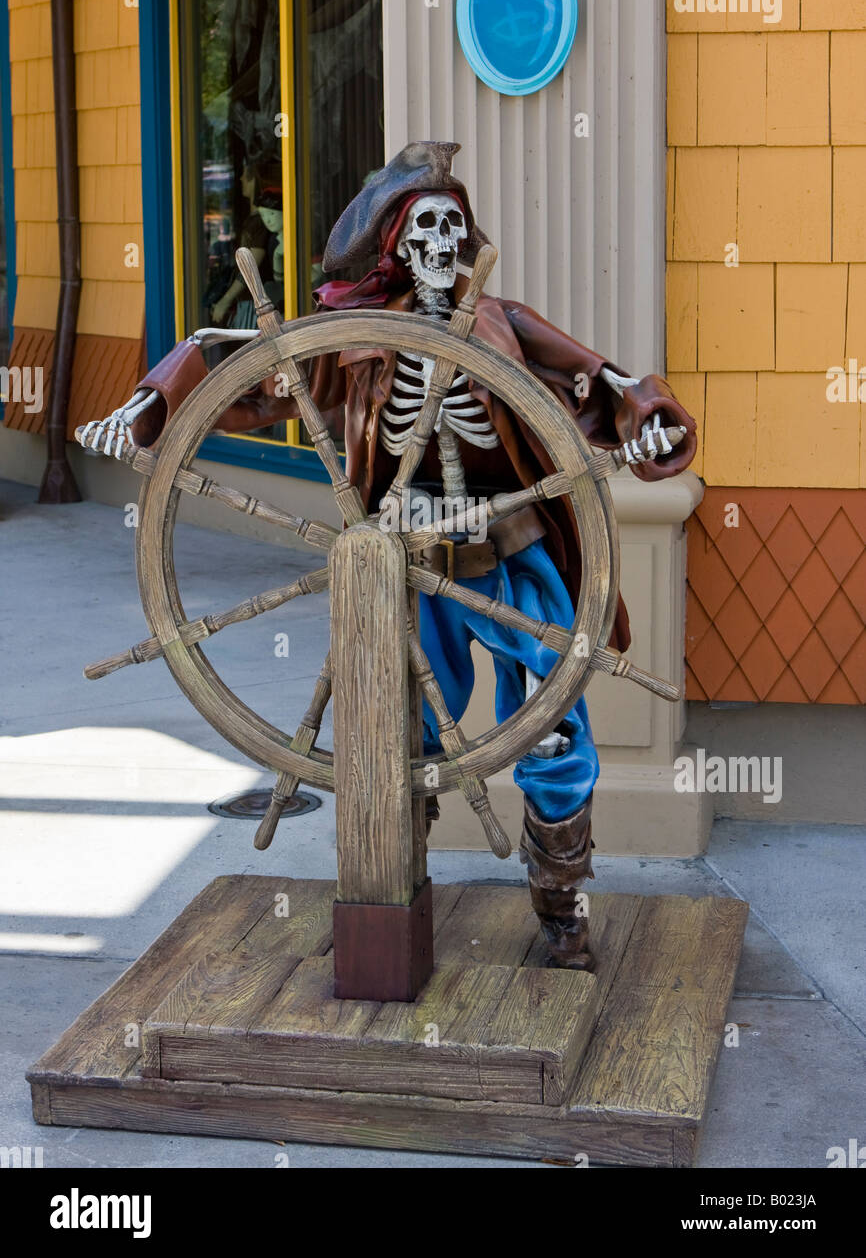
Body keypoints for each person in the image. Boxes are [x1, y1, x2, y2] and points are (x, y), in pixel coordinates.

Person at [78, 141, 697, 970]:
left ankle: (561, 906)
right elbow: (245, 359)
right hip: (407, 574)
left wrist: (651, 419)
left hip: (510, 549)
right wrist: (155, 402)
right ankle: (390, 894)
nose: (445, 245)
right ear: (399, 247)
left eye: (456, 227)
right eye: (427, 230)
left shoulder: (502, 326)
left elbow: (605, 383)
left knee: (552, 734)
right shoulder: (354, 341)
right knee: (395, 736)